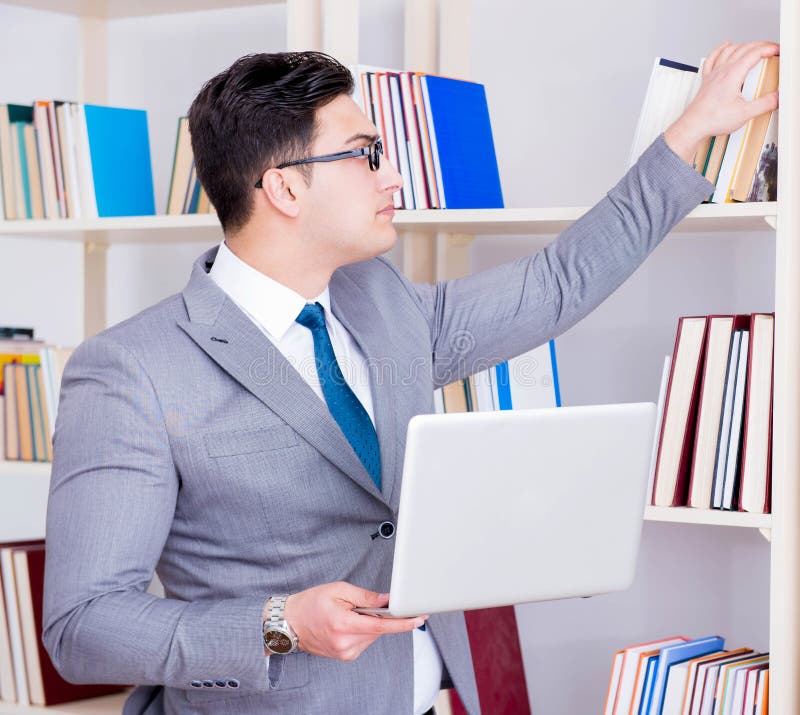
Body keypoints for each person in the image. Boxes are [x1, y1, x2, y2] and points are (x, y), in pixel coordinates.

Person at [42, 41, 778, 715]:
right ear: (285, 190)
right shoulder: (131, 371)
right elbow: (84, 626)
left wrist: (690, 133)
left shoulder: (383, 301)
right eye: (365, 155)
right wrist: (280, 623)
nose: (392, 174)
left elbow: (556, 283)